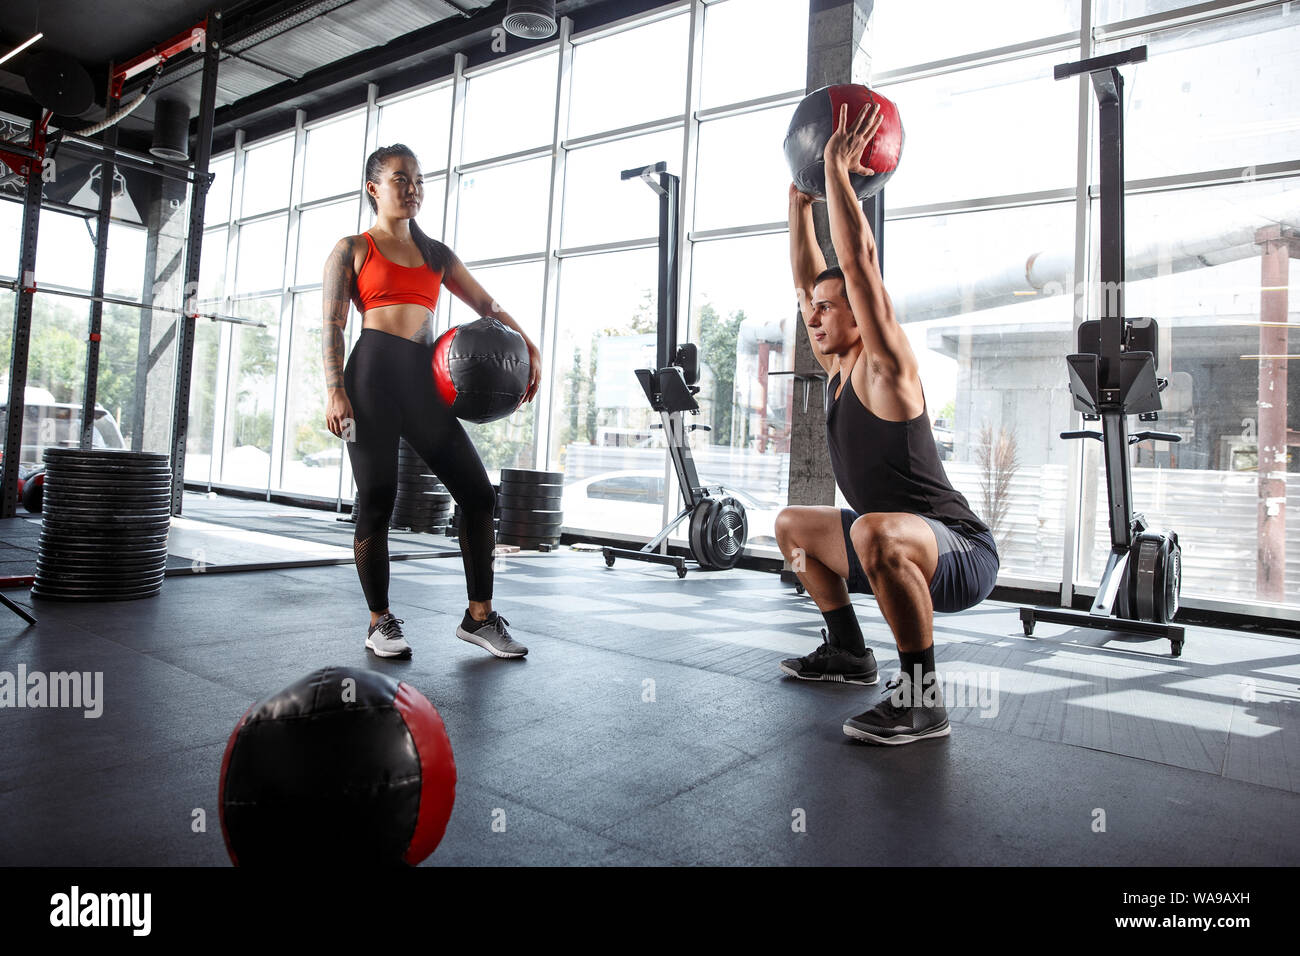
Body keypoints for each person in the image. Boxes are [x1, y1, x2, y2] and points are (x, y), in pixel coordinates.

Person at [778, 102, 1000, 745]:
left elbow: (860, 266)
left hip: (957, 550)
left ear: (861, 310)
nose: (814, 318)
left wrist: (837, 174)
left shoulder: (887, 365)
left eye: (828, 307)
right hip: (891, 536)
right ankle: (848, 651)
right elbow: (806, 276)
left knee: (877, 530)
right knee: (793, 525)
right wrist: (799, 205)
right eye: (812, 309)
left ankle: (921, 699)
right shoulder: (837, 367)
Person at [321, 143, 541, 661]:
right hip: (369, 379)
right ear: (374, 188)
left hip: (422, 381)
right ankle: (380, 621)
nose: (413, 188)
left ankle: (479, 617)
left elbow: (485, 304)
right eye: (401, 179)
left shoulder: (437, 254)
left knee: (478, 495)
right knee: (376, 499)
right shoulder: (351, 248)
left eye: (418, 179)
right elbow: (332, 324)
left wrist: (526, 343)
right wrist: (334, 389)